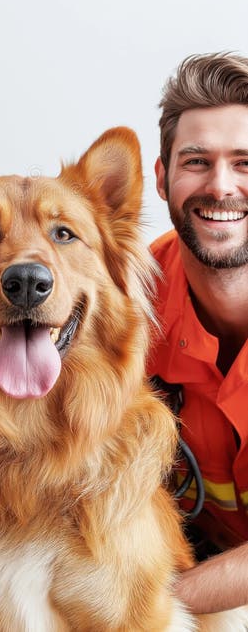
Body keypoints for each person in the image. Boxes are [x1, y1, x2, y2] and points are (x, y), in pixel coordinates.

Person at [149, 51, 248, 614]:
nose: (221, 186)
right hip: (191, 561)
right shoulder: (122, 309)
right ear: (162, 178)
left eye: (244, 162)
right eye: (196, 161)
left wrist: (145, 612)